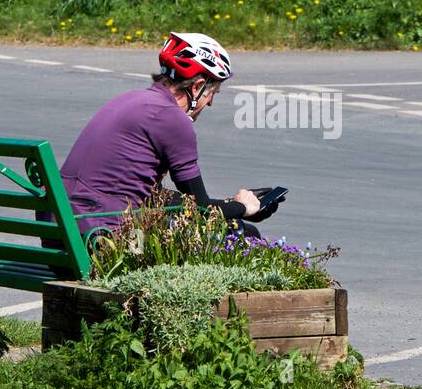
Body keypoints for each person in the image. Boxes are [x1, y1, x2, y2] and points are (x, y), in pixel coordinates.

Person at [43, 32, 277, 252]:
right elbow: (201, 209)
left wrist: (228, 203)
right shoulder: (171, 117)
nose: (211, 103)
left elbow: (160, 197)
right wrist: (243, 208)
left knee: (181, 229)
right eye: (212, 93)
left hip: (60, 239)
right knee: (241, 235)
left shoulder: (130, 100)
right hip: (104, 243)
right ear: (197, 86)